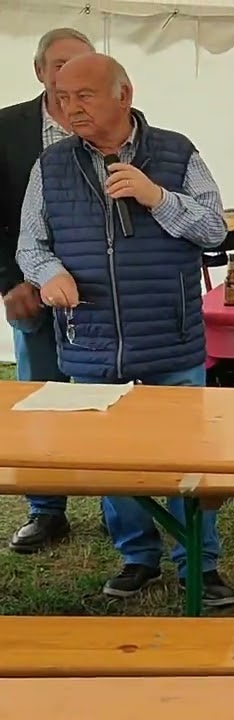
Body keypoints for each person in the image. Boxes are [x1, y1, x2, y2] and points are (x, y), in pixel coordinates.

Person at [15, 53, 234, 603]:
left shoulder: (178, 152)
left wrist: (156, 196)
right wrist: (49, 272)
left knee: (190, 459)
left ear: (124, 94)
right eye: (63, 98)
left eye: (83, 95)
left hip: (170, 338)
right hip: (90, 344)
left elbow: (213, 229)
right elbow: (30, 244)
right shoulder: (51, 166)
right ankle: (138, 556)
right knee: (115, 464)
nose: (71, 108)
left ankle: (200, 564)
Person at [0, 27, 94, 553]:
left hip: (101, 298)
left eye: (82, 64)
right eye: (59, 64)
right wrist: (9, 282)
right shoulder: (6, 128)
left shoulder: (110, 128)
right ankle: (45, 509)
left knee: (107, 399)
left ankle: (122, 505)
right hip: (30, 290)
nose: (70, 75)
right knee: (39, 396)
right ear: (40, 71)